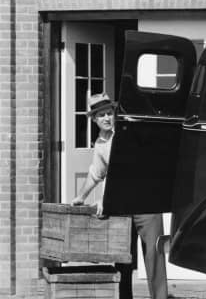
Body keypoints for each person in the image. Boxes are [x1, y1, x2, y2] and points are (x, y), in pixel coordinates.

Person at [72, 92, 168, 299]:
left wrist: (105, 200)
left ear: (115, 114)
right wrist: (81, 196)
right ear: (94, 119)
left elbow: (127, 170)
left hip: (146, 202)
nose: (106, 118)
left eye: (109, 113)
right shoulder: (100, 144)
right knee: (122, 256)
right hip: (122, 208)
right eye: (101, 115)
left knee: (154, 254)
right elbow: (95, 174)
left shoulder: (127, 133)